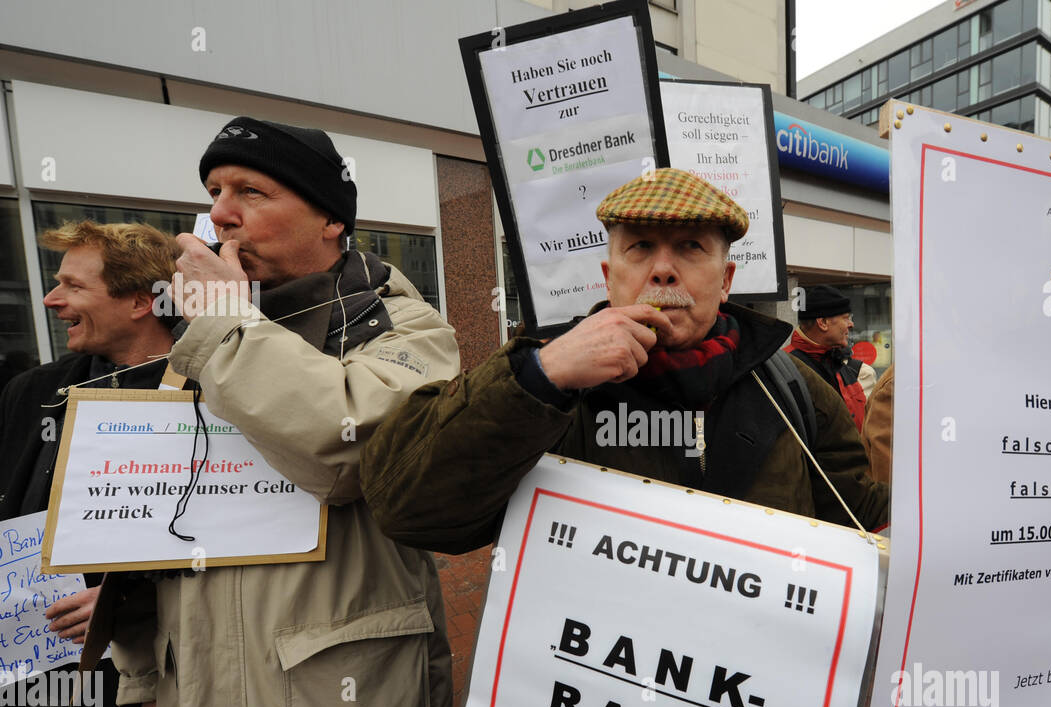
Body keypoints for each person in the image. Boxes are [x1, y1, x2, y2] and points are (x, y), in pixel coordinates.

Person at [81, 116, 461, 707]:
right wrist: (145, 686)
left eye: (250, 191)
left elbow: (346, 452)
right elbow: (161, 524)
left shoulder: (405, 329)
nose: (222, 211)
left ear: (330, 220)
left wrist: (224, 326)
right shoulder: (198, 342)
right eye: (214, 191)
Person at [360, 167, 889, 565]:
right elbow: (407, 509)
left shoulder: (793, 388)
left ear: (725, 279)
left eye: (690, 248)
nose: (662, 270)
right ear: (610, 277)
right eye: (640, 248)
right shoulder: (547, 386)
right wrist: (538, 377)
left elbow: (862, 529)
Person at [0, 221, 180, 707]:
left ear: (140, 301)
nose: (51, 299)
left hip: (138, 675)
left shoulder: (205, 392)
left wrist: (125, 594)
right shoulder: (32, 391)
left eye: (73, 285)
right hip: (33, 662)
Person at [786, 284, 876, 439]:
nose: (851, 324)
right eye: (846, 318)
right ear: (823, 323)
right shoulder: (784, 368)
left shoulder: (842, 366)